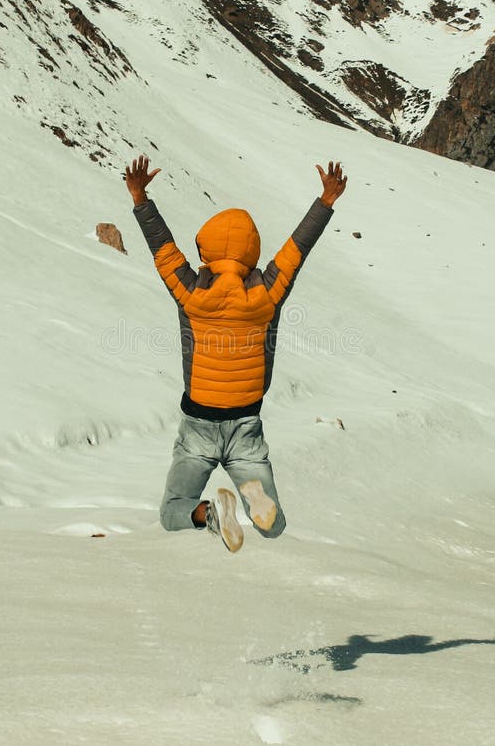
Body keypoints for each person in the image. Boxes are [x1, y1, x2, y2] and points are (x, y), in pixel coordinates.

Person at [126, 154, 347, 552]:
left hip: (198, 424)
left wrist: (141, 198)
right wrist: (326, 201)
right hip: (246, 425)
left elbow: (162, 249)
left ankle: (207, 513)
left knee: (171, 510)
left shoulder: (191, 294)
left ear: (207, 250)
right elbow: (297, 250)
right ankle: (257, 502)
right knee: (273, 526)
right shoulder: (268, 294)